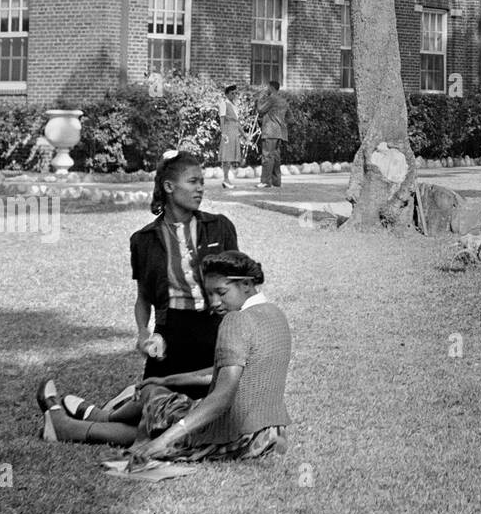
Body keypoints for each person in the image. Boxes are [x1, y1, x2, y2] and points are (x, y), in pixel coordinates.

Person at [37, 251, 291, 462]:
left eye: (221, 292)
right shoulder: (274, 314)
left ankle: (85, 421)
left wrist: (165, 441)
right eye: (209, 294)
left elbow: (222, 398)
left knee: (154, 400)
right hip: (266, 436)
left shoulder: (236, 321)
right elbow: (224, 374)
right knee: (159, 395)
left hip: (231, 435)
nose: (213, 302)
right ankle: (85, 420)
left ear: (246, 284)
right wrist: (167, 380)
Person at [129, 151, 239, 391]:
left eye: (202, 182)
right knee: (152, 402)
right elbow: (144, 297)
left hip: (216, 330)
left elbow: (239, 284)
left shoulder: (219, 227)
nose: (200, 188)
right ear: (169, 186)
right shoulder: (143, 240)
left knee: (214, 407)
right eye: (192, 182)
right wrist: (142, 333)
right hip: (171, 333)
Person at [256, 80, 289, 189]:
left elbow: (260, 109)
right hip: (279, 133)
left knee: (267, 157)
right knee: (276, 157)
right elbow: (290, 118)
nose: (266, 89)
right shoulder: (283, 101)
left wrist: (259, 98)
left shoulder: (271, 99)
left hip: (269, 132)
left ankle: (265, 182)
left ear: (271, 88)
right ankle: (276, 181)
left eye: (267, 87)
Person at [218, 84, 241, 188]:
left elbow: (237, 122)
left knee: (231, 156)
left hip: (234, 132)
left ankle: (227, 180)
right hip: (227, 132)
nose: (234, 95)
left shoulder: (235, 106)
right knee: (226, 156)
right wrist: (223, 133)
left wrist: (244, 134)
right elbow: (222, 119)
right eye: (232, 93)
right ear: (227, 94)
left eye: (235, 93)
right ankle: (226, 179)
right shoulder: (224, 104)